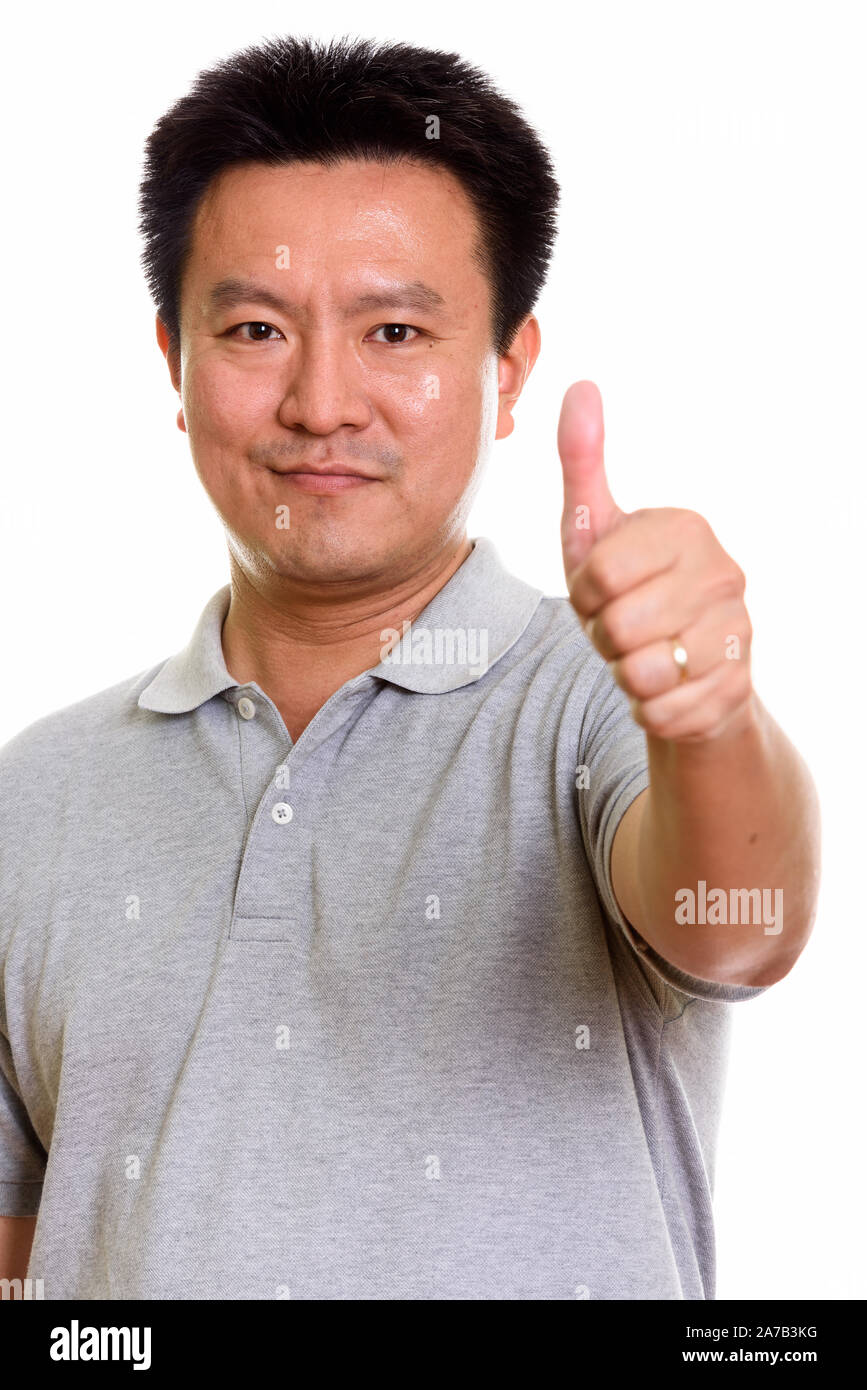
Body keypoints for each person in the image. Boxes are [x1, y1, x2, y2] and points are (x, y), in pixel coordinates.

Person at [0, 34, 820, 1301]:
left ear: (508, 372)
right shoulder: (36, 793)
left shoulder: (597, 706)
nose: (324, 401)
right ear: (173, 360)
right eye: (259, 327)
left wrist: (707, 720)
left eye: (394, 329)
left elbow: (746, 928)